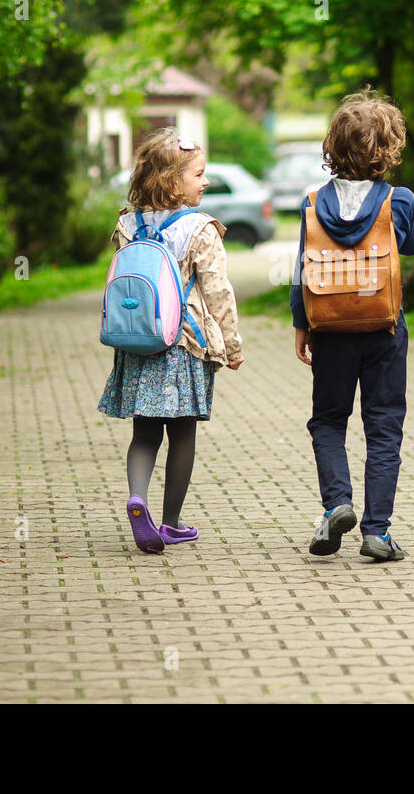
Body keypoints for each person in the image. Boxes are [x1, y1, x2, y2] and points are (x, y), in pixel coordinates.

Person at [290, 89, 414, 561]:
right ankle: (376, 532)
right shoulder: (394, 200)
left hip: (331, 329)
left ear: (333, 149)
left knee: (328, 421)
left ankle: (337, 503)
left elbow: (301, 268)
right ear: (389, 150)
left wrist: (302, 323)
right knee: (383, 427)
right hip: (384, 329)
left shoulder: (313, 202)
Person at [99, 128, 243, 553]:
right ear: (171, 180)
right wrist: (232, 345)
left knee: (144, 434)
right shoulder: (200, 229)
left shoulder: (127, 223)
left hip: (139, 343)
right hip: (184, 347)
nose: (205, 182)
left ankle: (136, 496)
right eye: (198, 174)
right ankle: (170, 522)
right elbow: (219, 292)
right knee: (182, 434)